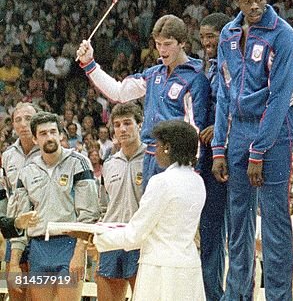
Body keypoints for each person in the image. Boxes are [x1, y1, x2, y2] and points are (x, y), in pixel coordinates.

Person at [211, 0, 293, 301]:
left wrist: (259, 150)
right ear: (236, 1)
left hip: (273, 131)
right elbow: (224, 90)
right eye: (247, 1)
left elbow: (280, 96)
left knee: (275, 221)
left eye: (259, 0)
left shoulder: (283, 34)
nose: (254, 7)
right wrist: (218, 146)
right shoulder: (228, 33)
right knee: (238, 221)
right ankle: (237, 294)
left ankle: (278, 297)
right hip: (237, 131)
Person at [69, 119, 206, 301]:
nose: (154, 151)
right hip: (188, 267)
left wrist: (95, 239)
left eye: (157, 146)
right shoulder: (197, 181)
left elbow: (135, 234)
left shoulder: (161, 182)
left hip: (160, 269)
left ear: (167, 148)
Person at [77, 15, 211, 185]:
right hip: (150, 155)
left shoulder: (196, 78)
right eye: (158, 44)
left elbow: (196, 128)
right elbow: (118, 92)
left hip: (178, 159)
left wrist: (195, 171)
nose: (162, 50)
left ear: (182, 42)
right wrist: (89, 63)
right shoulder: (153, 74)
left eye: (167, 44)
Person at [9, 112, 99, 301]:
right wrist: (14, 262)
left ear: (60, 135)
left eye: (53, 132)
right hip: (39, 247)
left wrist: (79, 252)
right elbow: (21, 221)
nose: (49, 137)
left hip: (69, 244)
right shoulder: (27, 172)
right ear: (35, 139)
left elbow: (89, 214)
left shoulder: (79, 163)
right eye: (43, 133)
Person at [94, 103, 146, 301]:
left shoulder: (152, 160)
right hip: (112, 238)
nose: (122, 129)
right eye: (117, 125)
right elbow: (103, 204)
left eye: (127, 123)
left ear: (139, 124)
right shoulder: (109, 163)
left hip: (140, 239)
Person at [197, 11, 231, 301]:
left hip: (228, 152)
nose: (207, 42)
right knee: (209, 229)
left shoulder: (234, 64)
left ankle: (228, 294)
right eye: (203, 37)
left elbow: (234, 102)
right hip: (206, 154)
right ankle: (211, 294)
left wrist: (219, 127)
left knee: (229, 230)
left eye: (212, 36)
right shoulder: (206, 68)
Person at [0, 102, 38, 301]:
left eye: (28, 119)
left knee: (39, 292)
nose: (23, 124)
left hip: (41, 230)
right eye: (18, 120)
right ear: (13, 125)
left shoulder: (48, 151)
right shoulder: (7, 155)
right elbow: (9, 192)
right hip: (15, 230)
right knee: (16, 290)